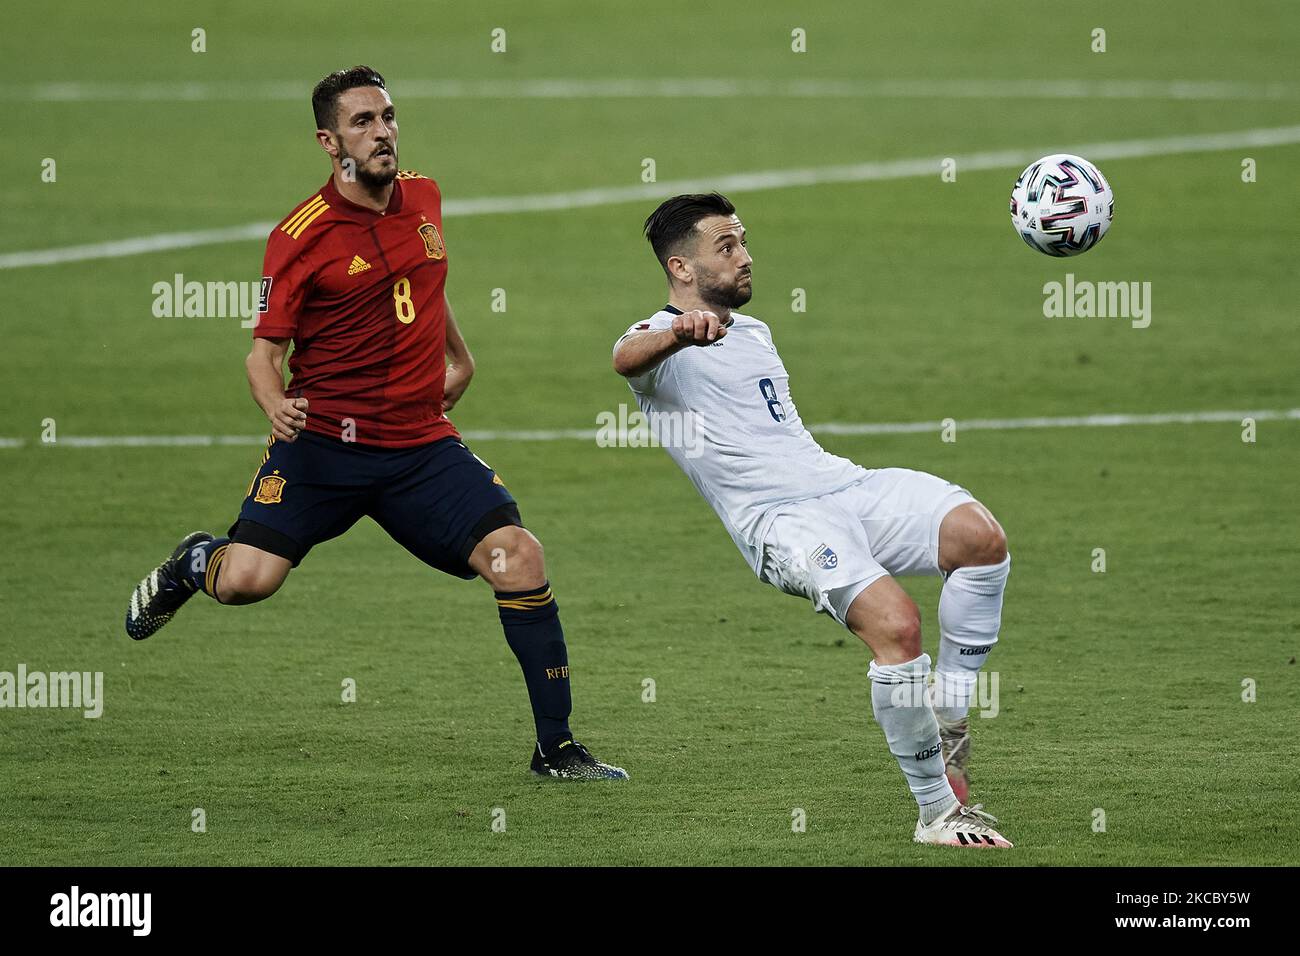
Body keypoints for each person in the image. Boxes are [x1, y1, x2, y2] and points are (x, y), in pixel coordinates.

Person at [125, 66, 625, 782]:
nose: (383, 131)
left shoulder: (424, 196)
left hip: (418, 442)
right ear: (330, 142)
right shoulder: (299, 236)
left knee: (520, 557)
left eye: (388, 116)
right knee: (247, 582)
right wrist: (274, 404)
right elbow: (262, 354)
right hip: (322, 447)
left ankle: (557, 747)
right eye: (363, 122)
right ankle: (197, 560)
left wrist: (462, 356)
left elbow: (427, 278)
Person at [612, 193, 1013, 844]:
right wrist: (677, 333)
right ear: (681, 269)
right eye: (727, 247)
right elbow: (625, 359)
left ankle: (949, 713)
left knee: (980, 538)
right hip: (781, 524)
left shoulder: (756, 333)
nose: (745, 258)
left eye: (743, 242)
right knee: (897, 624)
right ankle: (938, 813)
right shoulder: (658, 347)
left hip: (841, 487)